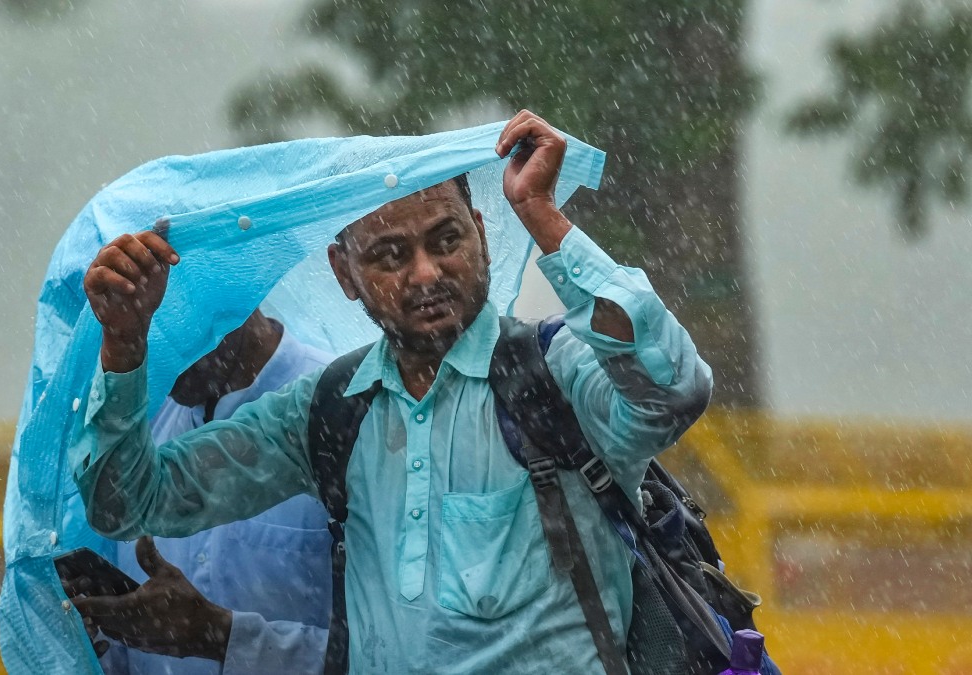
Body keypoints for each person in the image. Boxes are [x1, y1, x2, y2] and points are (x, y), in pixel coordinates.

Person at [71, 110, 713, 673]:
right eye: (390, 255)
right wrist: (124, 343)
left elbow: (673, 390)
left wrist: (542, 215)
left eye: (447, 240)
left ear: (483, 236)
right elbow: (128, 503)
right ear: (344, 274)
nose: (426, 273)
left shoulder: (553, 374)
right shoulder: (328, 411)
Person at [65, 309, 334, 675]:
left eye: (171, 330)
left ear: (236, 298)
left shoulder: (340, 410)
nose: (157, 358)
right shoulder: (143, 430)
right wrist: (97, 633)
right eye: (142, 340)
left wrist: (218, 635)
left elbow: (390, 647)